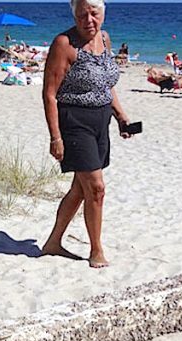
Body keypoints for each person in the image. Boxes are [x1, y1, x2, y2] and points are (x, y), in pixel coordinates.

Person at [42, 0, 132, 268]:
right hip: (74, 122)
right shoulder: (63, 44)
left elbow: (106, 85)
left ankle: (53, 243)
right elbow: (49, 94)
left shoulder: (104, 39)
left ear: (103, 13)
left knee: (80, 189)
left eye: (94, 13)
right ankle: (96, 251)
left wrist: (121, 117)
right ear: (74, 15)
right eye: (82, 15)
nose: (89, 20)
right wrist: (55, 137)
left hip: (100, 121)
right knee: (96, 188)